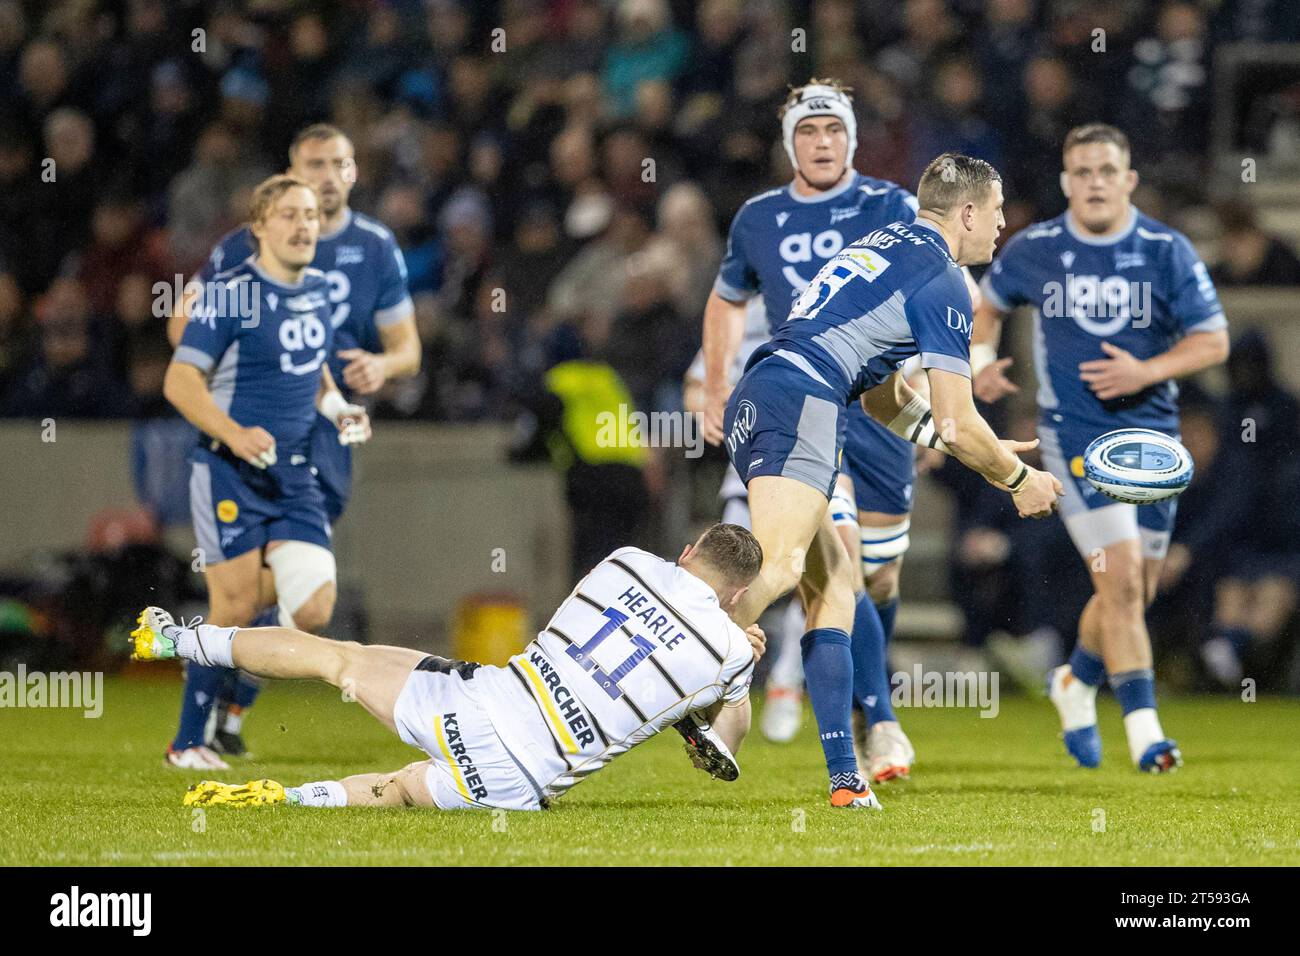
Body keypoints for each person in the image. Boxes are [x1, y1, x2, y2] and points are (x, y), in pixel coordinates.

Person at [720, 152, 1060, 807]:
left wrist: (950, 439)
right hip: (803, 402)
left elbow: (882, 399)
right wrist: (1019, 479)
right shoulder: (944, 280)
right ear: (966, 212)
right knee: (783, 567)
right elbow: (962, 424)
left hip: (763, 394)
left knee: (833, 583)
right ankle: (662, 672)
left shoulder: (884, 242)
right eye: (995, 211)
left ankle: (846, 782)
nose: (1001, 225)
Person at [701, 79, 971, 781]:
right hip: (802, 396)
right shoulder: (759, 217)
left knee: (877, 578)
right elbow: (727, 300)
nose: (822, 143)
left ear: (851, 137)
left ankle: (862, 702)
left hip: (881, 398)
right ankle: (871, 733)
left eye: (834, 130)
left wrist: (943, 405)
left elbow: (939, 287)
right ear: (789, 141)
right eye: (808, 131)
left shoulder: (890, 204)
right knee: (836, 560)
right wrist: (715, 381)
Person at [128, 523, 766, 811]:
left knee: (339, 660)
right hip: (525, 784)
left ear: (686, 552)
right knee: (406, 789)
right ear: (737, 596)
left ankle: (181, 643)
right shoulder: (731, 650)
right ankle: (285, 799)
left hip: (485, 703)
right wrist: (736, 668)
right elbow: (722, 746)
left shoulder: (627, 559)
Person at [972, 123, 1230, 772]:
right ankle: (1148, 734)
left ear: (1129, 180)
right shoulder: (1038, 248)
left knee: (1133, 592)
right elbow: (987, 305)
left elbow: (1214, 341)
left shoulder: (1164, 250)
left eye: (1105, 171)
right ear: (1065, 182)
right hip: (1075, 440)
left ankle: (1076, 680)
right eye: (1081, 172)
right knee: (1118, 582)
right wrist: (979, 358)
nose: (1093, 182)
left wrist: (1146, 372)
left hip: (1152, 442)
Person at [169, 124, 419, 756]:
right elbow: (184, 345)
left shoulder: (363, 254)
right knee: (236, 597)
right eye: (314, 168)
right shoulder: (235, 270)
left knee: (302, 603)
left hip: (311, 452)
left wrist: (356, 391)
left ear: (354, 171)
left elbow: (381, 355)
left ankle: (233, 694)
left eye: (339, 164)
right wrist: (224, 373)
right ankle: (195, 732)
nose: (325, 181)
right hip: (238, 450)